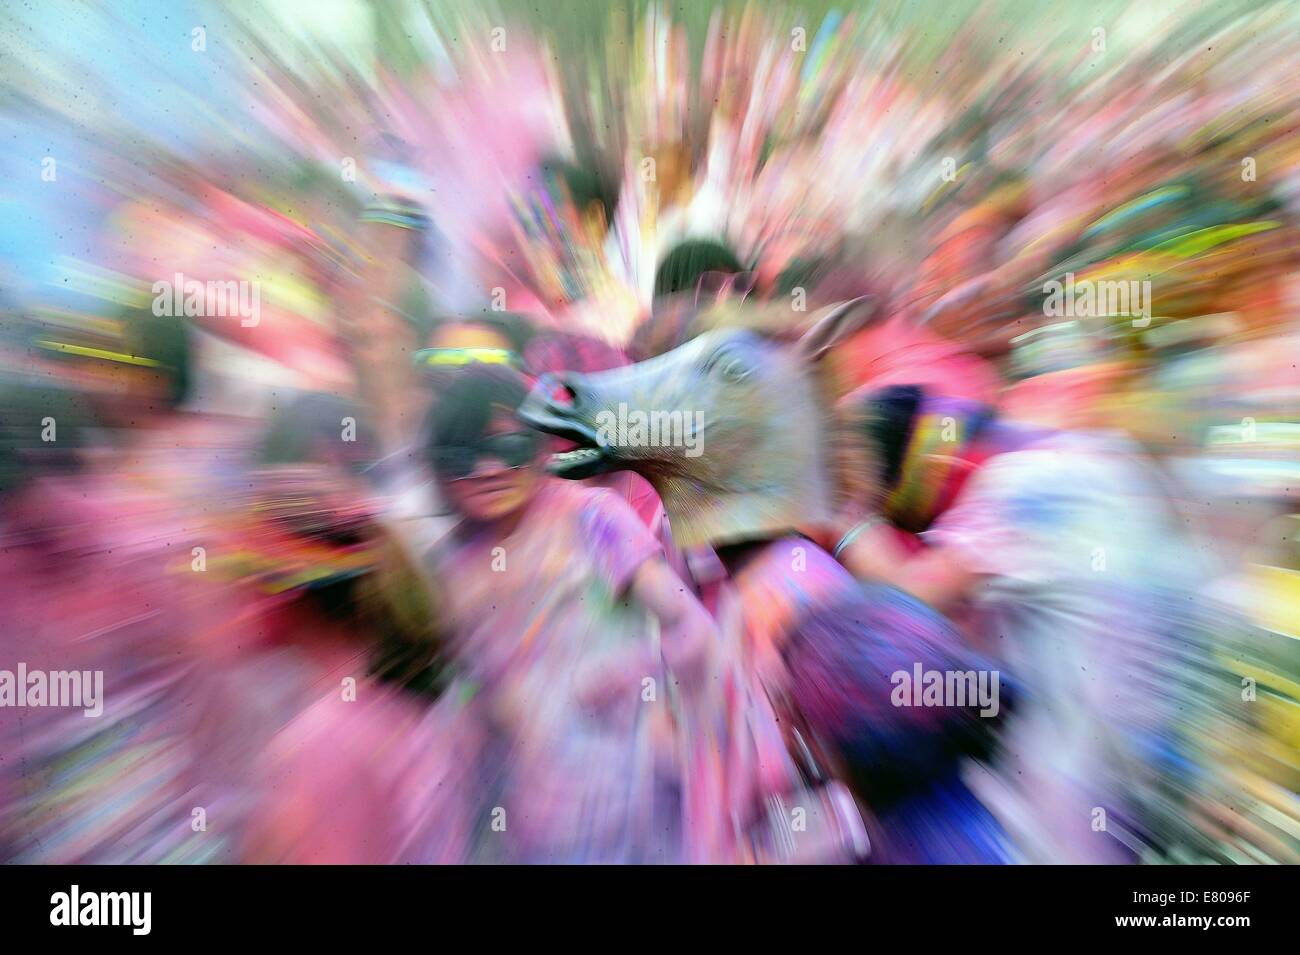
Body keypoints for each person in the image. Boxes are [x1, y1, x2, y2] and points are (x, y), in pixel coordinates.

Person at [423, 366, 719, 862]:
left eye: (510, 448)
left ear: (540, 447)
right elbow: (465, 690)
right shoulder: (447, 562)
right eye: (465, 455)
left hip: (635, 791)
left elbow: (690, 625)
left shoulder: (591, 517)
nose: (488, 469)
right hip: (532, 812)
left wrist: (641, 672)